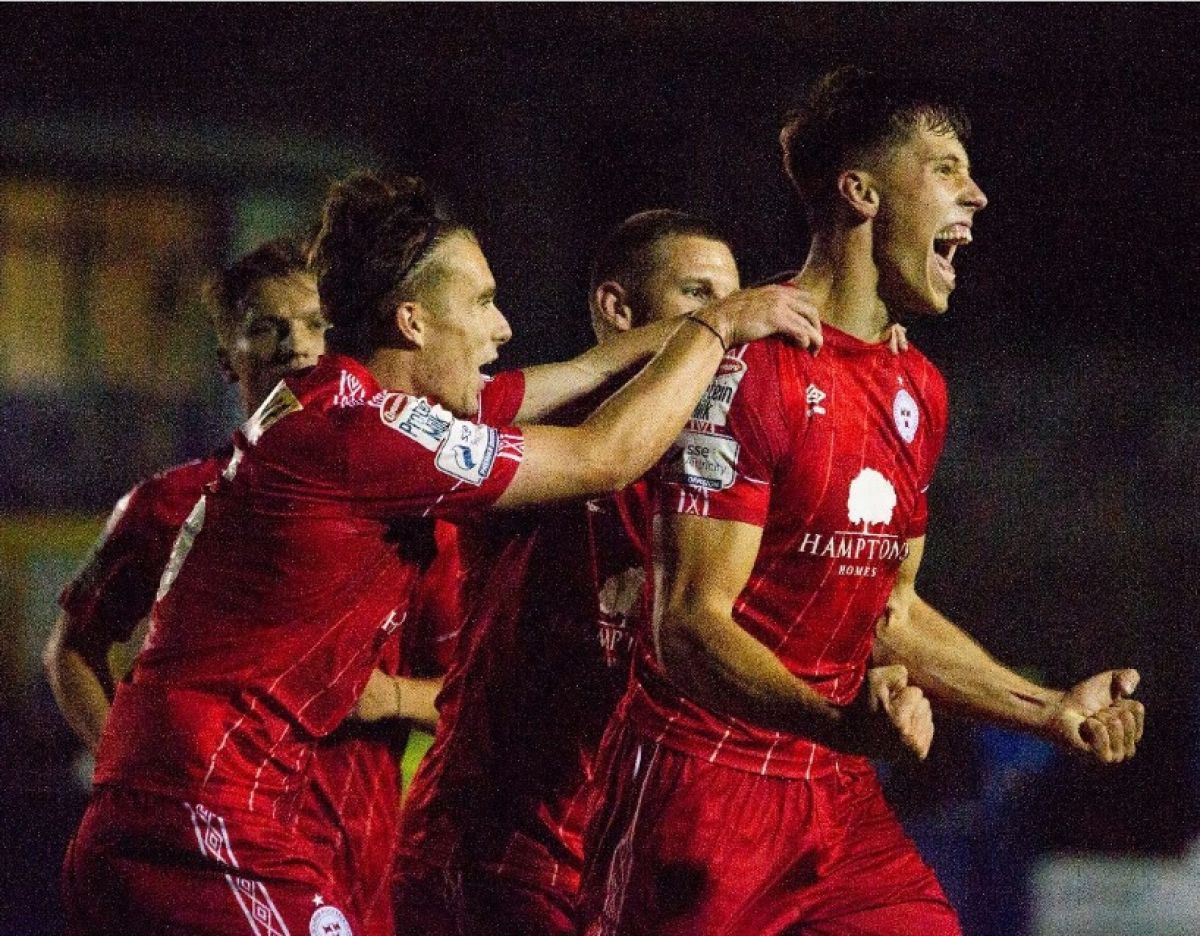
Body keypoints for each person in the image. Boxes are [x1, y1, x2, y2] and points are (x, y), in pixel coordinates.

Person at [61, 173, 824, 936]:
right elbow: (604, 453)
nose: (502, 328)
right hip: (207, 819)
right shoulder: (365, 438)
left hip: (193, 815)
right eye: (483, 301)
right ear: (414, 322)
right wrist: (719, 327)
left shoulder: (346, 406)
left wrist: (679, 331)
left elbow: (574, 378)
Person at [579, 67, 1145, 936]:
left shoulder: (917, 385)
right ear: (862, 191)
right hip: (705, 795)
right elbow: (689, 624)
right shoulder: (746, 367)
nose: (979, 195)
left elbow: (890, 613)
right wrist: (839, 722)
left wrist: (1048, 709)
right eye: (948, 169)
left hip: (837, 799)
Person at [47, 236, 449, 934]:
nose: (296, 346)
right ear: (226, 359)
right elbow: (71, 651)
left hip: (352, 863)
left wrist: (390, 697)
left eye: (317, 324)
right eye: (267, 327)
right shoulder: (168, 505)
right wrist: (145, 787)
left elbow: (473, 695)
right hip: (205, 857)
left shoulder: (406, 510)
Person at [393, 209, 744, 936]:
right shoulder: (554, 440)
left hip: (619, 869)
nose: (729, 323)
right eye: (700, 297)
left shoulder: (726, 475)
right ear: (618, 310)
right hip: (498, 861)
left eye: (735, 299)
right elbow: (597, 451)